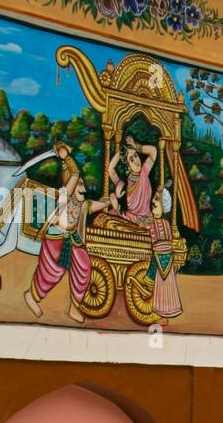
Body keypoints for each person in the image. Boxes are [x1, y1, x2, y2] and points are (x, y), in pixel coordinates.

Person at [23, 173, 110, 324]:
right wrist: (72, 170)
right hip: (55, 238)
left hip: (72, 238)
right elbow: (73, 178)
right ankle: (31, 296)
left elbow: (97, 205)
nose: (83, 189)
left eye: (83, 185)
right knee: (52, 272)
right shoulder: (65, 198)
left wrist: (110, 201)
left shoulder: (83, 205)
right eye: (80, 184)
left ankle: (74, 308)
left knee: (84, 267)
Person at [145, 187, 183, 322]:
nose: (153, 202)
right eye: (154, 199)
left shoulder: (164, 223)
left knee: (164, 287)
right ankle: (162, 315)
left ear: (163, 205)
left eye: (156, 199)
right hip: (161, 256)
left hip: (163, 257)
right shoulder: (155, 222)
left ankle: (163, 316)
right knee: (162, 287)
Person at [107, 133, 157, 223]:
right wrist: (121, 151)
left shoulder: (144, 172)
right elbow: (110, 169)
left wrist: (135, 146)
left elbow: (153, 151)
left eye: (136, 155)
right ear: (128, 167)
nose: (136, 160)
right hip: (130, 221)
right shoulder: (123, 185)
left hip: (147, 222)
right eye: (131, 159)